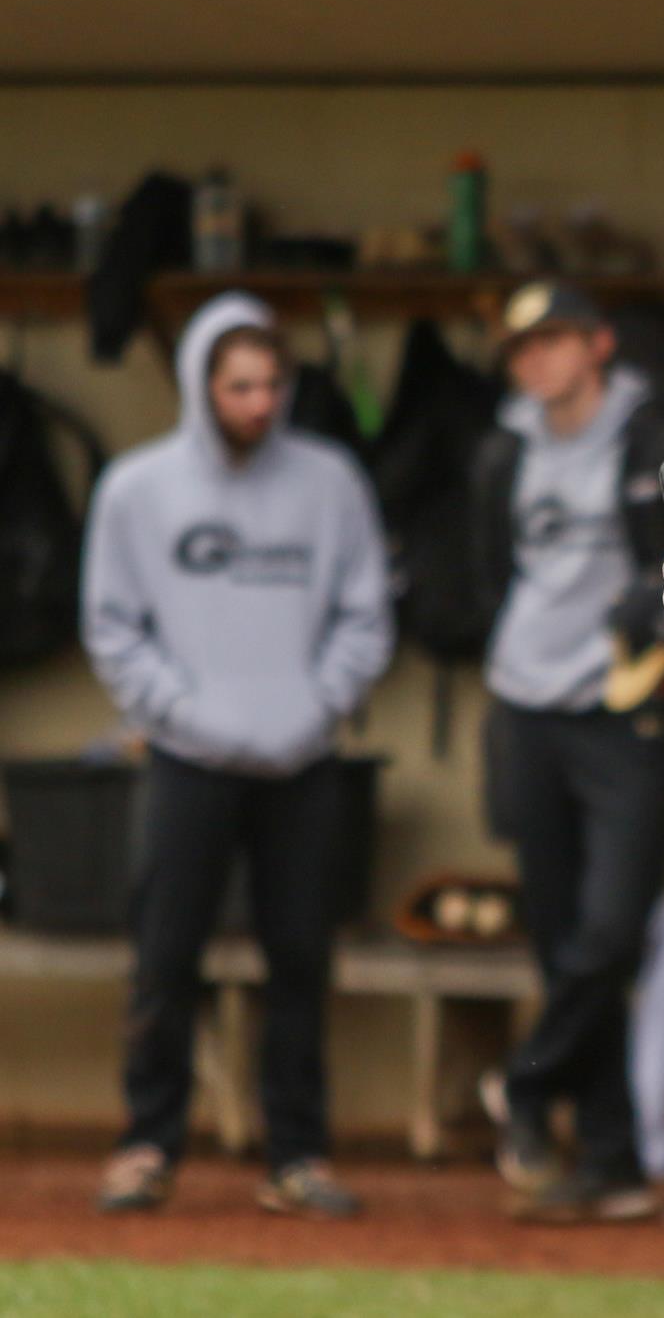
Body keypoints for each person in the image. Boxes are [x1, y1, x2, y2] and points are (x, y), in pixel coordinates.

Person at [83, 291, 392, 1218]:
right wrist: (184, 712)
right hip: (184, 758)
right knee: (164, 956)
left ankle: (297, 1155)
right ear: (200, 385)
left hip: (301, 761)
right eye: (238, 385)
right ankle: (147, 1144)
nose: (257, 401)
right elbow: (112, 627)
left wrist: (318, 708)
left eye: (271, 384)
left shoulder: (332, 482)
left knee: (300, 959)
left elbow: (366, 614)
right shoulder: (136, 489)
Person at [472, 280, 664, 1223]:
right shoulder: (504, 447)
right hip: (526, 706)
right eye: (523, 348)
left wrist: (644, 624)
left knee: (611, 931)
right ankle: (610, 1158)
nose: (538, 361)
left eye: (555, 340)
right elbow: (490, 569)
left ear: (598, 343)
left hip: (624, 710)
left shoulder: (652, 437)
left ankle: (525, 1084)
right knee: (563, 942)